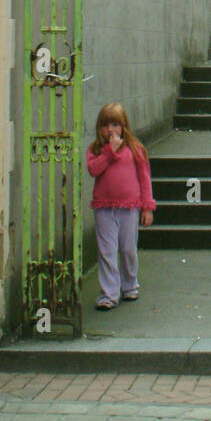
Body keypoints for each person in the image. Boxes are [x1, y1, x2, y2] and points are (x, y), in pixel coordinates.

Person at [86, 102, 156, 310]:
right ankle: (109, 293)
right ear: (100, 127)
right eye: (106, 125)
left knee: (127, 249)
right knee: (107, 251)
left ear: (124, 126)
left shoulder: (135, 149)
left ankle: (129, 285)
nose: (111, 130)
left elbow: (144, 179)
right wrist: (109, 152)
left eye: (116, 125)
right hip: (104, 208)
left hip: (129, 207)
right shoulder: (96, 149)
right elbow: (93, 170)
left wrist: (147, 207)